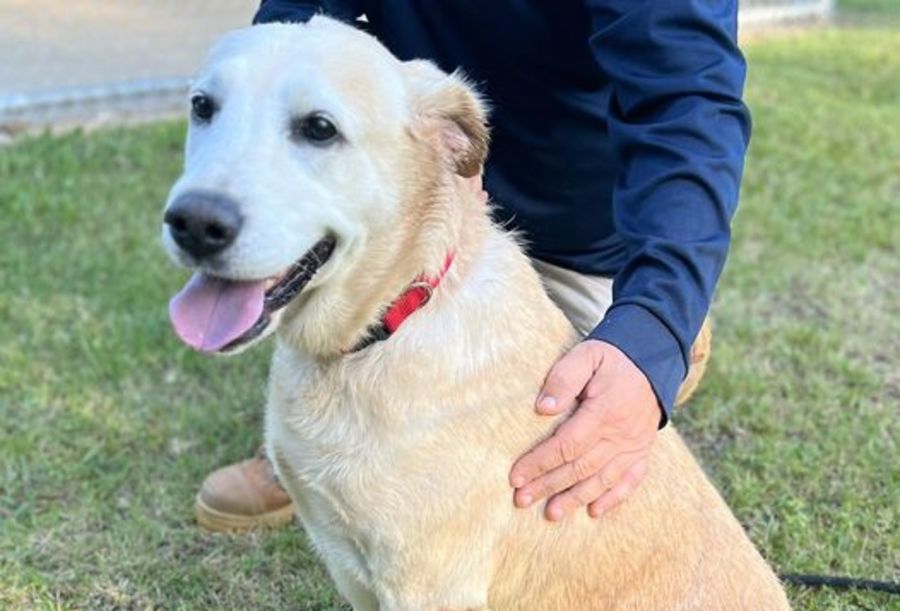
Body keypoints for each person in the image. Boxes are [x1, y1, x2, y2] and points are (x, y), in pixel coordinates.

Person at [194, 0, 750, 533]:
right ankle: (316, 436)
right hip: (414, 194)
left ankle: (658, 328)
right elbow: (294, 24)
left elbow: (687, 102)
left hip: (575, 250)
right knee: (340, 301)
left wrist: (654, 324)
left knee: (540, 461)